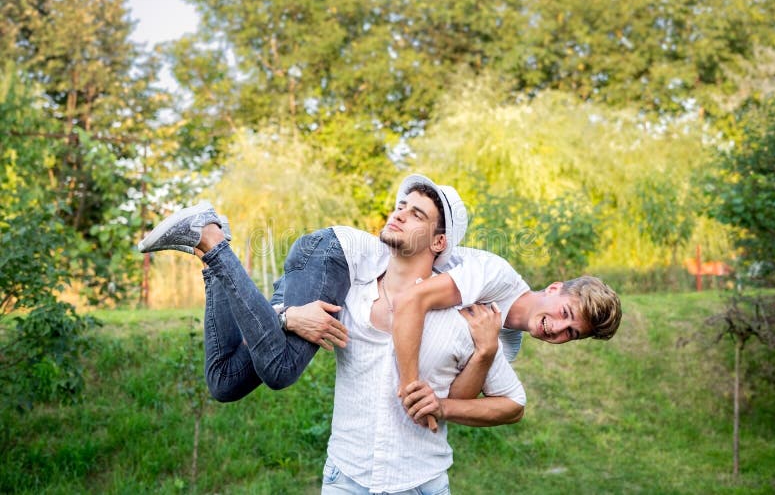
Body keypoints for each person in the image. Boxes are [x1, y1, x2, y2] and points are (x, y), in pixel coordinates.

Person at [138, 175, 621, 410]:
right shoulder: (492, 275)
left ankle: (209, 252)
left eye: (570, 333)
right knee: (282, 369)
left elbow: (458, 395)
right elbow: (413, 301)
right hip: (336, 257)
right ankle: (214, 241)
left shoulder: (507, 341)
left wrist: (485, 351)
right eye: (564, 312)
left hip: (341, 270)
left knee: (224, 383)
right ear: (555, 288)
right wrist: (410, 385)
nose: (556, 328)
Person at [317, 179, 526, 493]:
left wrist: (443, 406)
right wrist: (289, 315)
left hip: (419, 482)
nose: (398, 215)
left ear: (439, 242)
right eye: (401, 207)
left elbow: (514, 405)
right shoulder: (350, 292)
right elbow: (270, 332)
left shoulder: (464, 318)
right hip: (345, 478)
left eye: (416, 215)